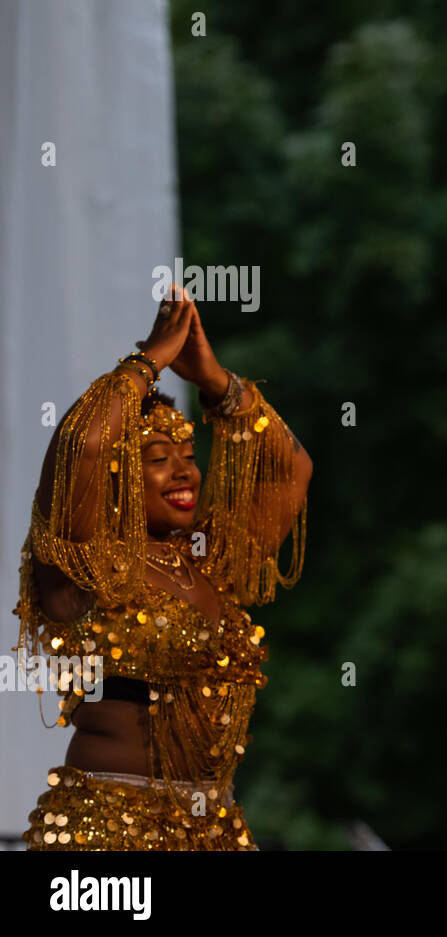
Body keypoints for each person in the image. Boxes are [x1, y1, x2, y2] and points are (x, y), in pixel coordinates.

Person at [17, 286, 311, 850]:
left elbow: (290, 467)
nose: (184, 472)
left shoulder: (209, 562)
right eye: (157, 460)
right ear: (116, 477)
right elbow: (84, 443)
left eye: (188, 458)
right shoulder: (87, 563)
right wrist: (147, 360)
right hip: (106, 831)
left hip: (213, 829)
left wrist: (218, 384)